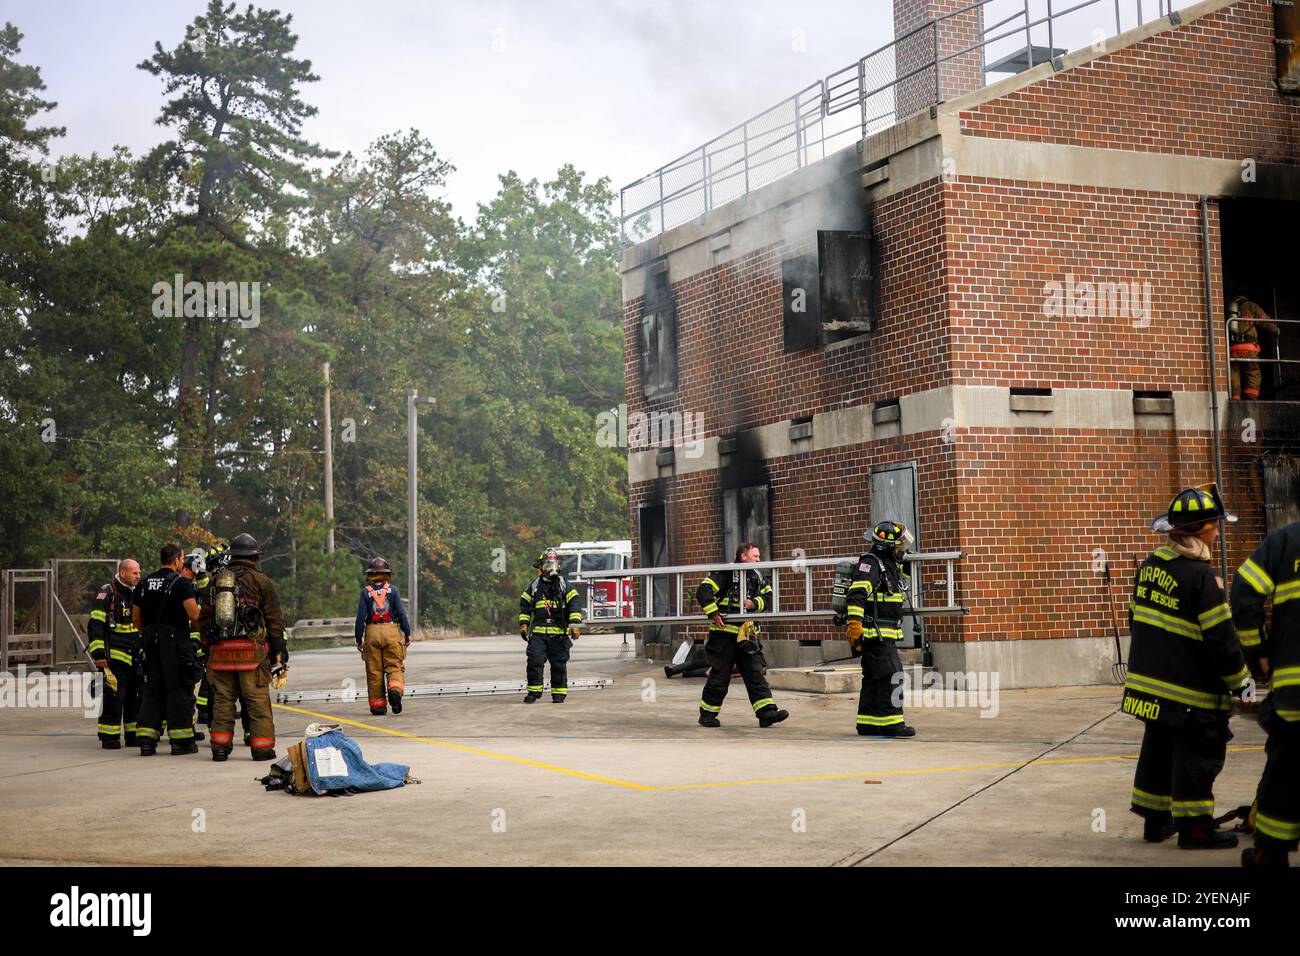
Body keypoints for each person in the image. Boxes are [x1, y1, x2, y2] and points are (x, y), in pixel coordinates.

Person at [1122, 483, 1251, 849]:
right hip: (1190, 693)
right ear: (1199, 530)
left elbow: (1137, 621)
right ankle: (1196, 829)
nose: (1217, 531)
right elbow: (1222, 641)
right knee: (1200, 752)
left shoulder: (1150, 566)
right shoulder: (1202, 579)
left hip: (1148, 688)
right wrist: (1243, 683)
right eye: (1214, 525)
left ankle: (1155, 822)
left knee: (1158, 750)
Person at [1232, 518, 1300, 867]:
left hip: (1294, 690)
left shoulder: (1286, 541)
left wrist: (1259, 652)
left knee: (1287, 769)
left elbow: (1244, 593)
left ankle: (1269, 853)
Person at [202, 533, 285, 762]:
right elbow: (274, 620)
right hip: (251, 653)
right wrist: (278, 650)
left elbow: (204, 619)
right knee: (257, 701)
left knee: (222, 702)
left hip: (220, 654)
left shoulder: (215, 581)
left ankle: (219, 747)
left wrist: (207, 649)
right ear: (254, 557)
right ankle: (261, 748)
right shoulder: (261, 581)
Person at [695, 543, 787, 728]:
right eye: (755, 556)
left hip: (747, 636)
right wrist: (713, 612)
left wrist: (753, 603)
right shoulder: (726, 573)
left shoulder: (758, 576)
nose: (759, 560)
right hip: (724, 636)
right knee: (720, 675)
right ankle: (707, 715)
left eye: (759, 556)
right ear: (743, 557)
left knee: (755, 674)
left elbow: (769, 598)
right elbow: (703, 591)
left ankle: (766, 713)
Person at [845, 522, 917, 738]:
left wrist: (905, 564)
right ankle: (892, 723)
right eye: (898, 546)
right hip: (873, 632)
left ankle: (867, 723)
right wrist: (855, 625)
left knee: (874, 677)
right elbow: (856, 595)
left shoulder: (887, 564)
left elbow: (897, 584)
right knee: (892, 674)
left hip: (884, 632)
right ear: (886, 546)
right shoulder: (871, 564)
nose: (901, 550)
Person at [133, 544, 203, 756]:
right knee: (179, 689)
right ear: (176, 560)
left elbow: (136, 619)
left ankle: (146, 740)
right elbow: (194, 615)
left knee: (152, 689)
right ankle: (181, 742)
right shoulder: (181, 583)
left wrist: (151, 634)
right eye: (182, 558)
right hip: (175, 644)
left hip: (151, 642)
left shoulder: (144, 583)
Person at [88, 558, 142, 749]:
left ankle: (132, 735)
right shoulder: (108, 594)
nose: (138, 576)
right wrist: (99, 654)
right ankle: (109, 736)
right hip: (114, 656)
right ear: (123, 573)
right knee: (114, 696)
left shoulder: (138, 594)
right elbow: (95, 625)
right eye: (134, 573)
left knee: (134, 697)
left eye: (139, 573)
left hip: (134, 655)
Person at [519, 548, 583, 703]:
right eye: (547, 564)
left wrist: (574, 625)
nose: (551, 568)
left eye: (553, 564)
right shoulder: (534, 587)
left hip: (559, 635)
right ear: (540, 567)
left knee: (559, 664)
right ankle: (534, 692)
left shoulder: (564, 586)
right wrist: (524, 624)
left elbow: (575, 604)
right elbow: (525, 605)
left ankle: (559, 693)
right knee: (534, 661)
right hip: (539, 635)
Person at [354, 557, 412, 716]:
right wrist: (407, 633)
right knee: (394, 666)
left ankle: (378, 706)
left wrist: (359, 639)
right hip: (391, 631)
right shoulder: (393, 590)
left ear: (370, 575)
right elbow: (401, 613)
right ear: (386, 574)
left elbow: (360, 618)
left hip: (372, 632)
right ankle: (394, 690)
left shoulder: (365, 592)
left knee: (374, 672)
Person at [1228, 291, 1280, 400]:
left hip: (1232, 348)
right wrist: (1276, 331)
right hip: (1248, 347)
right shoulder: (1251, 306)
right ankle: (1250, 397)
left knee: (1234, 374)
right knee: (1253, 372)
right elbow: (1264, 320)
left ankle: (1235, 397)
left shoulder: (1229, 309)